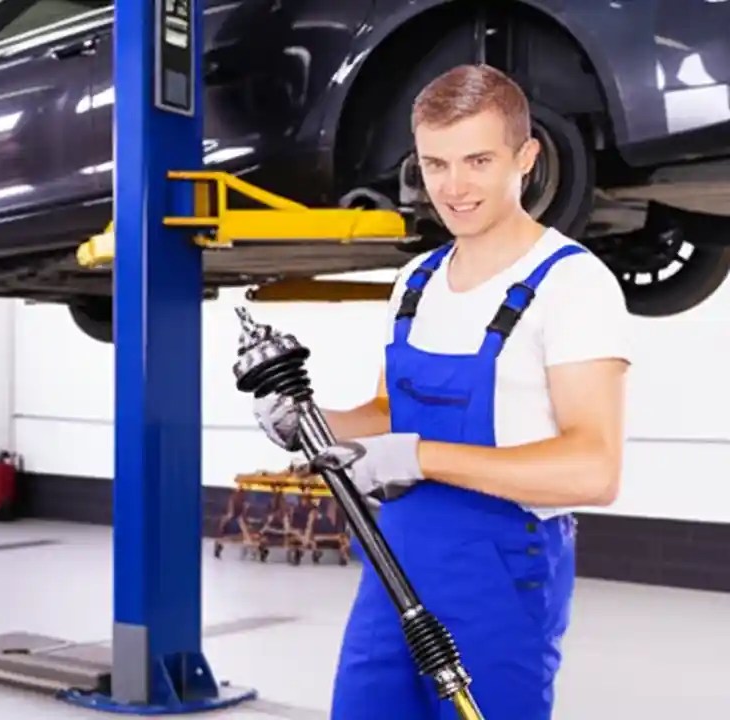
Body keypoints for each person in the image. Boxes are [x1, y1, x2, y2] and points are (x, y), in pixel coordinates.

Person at [254, 64, 631, 719]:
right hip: (394, 557)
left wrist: (420, 457)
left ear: (527, 158)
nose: (453, 188)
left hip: (501, 571)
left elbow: (593, 469)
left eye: (478, 160)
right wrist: (313, 421)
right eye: (434, 165)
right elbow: (384, 413)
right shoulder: (416, 282)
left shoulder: (573, 285)